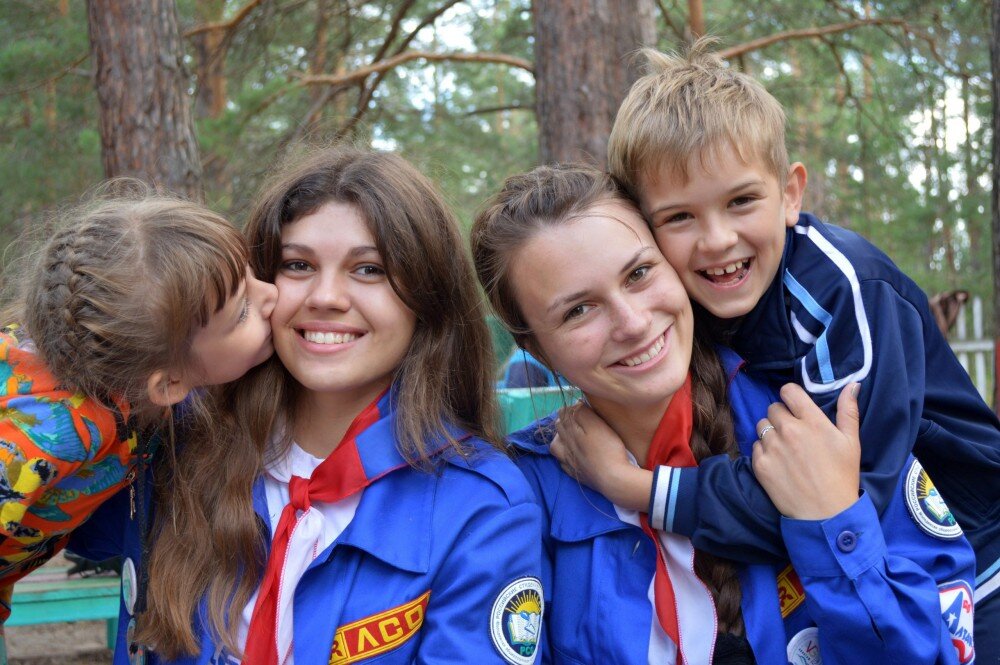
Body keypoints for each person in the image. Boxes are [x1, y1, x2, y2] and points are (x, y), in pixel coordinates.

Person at [551, 39, 998, 660]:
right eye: (678, 217)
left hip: (978, 554)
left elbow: (819, 502)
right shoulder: (690, 307)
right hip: (869, 576)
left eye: (741, 201)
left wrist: (633, 486)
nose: (716, 240)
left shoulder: (845, 293)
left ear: (790, 194)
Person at [471, 163, 976, 664]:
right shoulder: (519, 497)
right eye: (578, 310)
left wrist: (834, 529)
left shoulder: (809, 418)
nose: (632, 322)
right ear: (534, 347)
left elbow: (936, 646)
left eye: (639, 273)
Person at [70, 147, 544, 665]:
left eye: (369, 269)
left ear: (427, 302)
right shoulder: (166, 442)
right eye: (297, 265)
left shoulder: (483, 508)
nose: (325, 296)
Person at [0, 186, 277, 655]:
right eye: (243, 311)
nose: (273, 295)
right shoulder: (43, 433)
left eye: (252, 276)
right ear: (166, 386)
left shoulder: (115, 370)